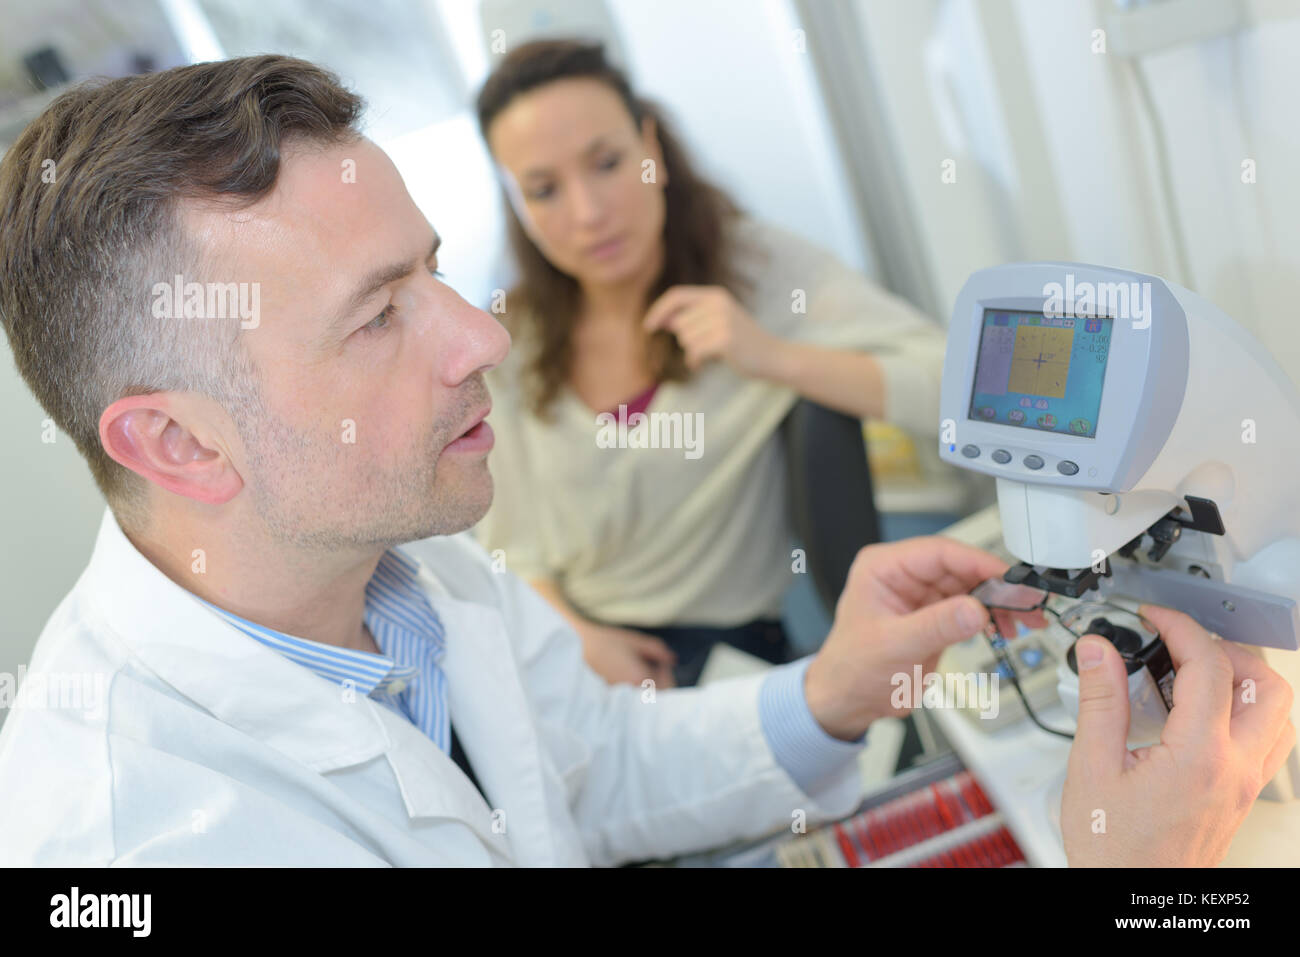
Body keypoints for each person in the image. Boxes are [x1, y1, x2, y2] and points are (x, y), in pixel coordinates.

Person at [0, 56, 1290, 867]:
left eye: (435, 270)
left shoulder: (412, 585)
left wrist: (831, 692)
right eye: (378, 313)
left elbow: (595, 774)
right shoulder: (134, 837)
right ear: (176, 442)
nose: (478, 339)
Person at [471, 40, 953, 688]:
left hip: (728, 663)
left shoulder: (756, 274)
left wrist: (774, 357)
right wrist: (577, 638)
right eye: (544, 189)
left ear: (652, 149)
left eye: (608, 162)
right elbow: (505, 546)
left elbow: (955, 386)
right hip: (569, 655)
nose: (587, 213)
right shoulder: (508, 336)